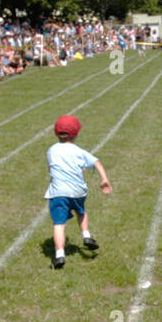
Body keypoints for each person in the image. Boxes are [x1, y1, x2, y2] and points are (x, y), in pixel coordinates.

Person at [44, 114, 112, 269]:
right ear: (75, 134)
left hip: (58, 192)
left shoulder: (51, 150)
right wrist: (104, 179)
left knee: (59, 224)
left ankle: (59, 255)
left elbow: (52, 168)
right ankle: (86, 235)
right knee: (81, 212)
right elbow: (96, 162)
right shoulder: (79, 151)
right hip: (78, 191)